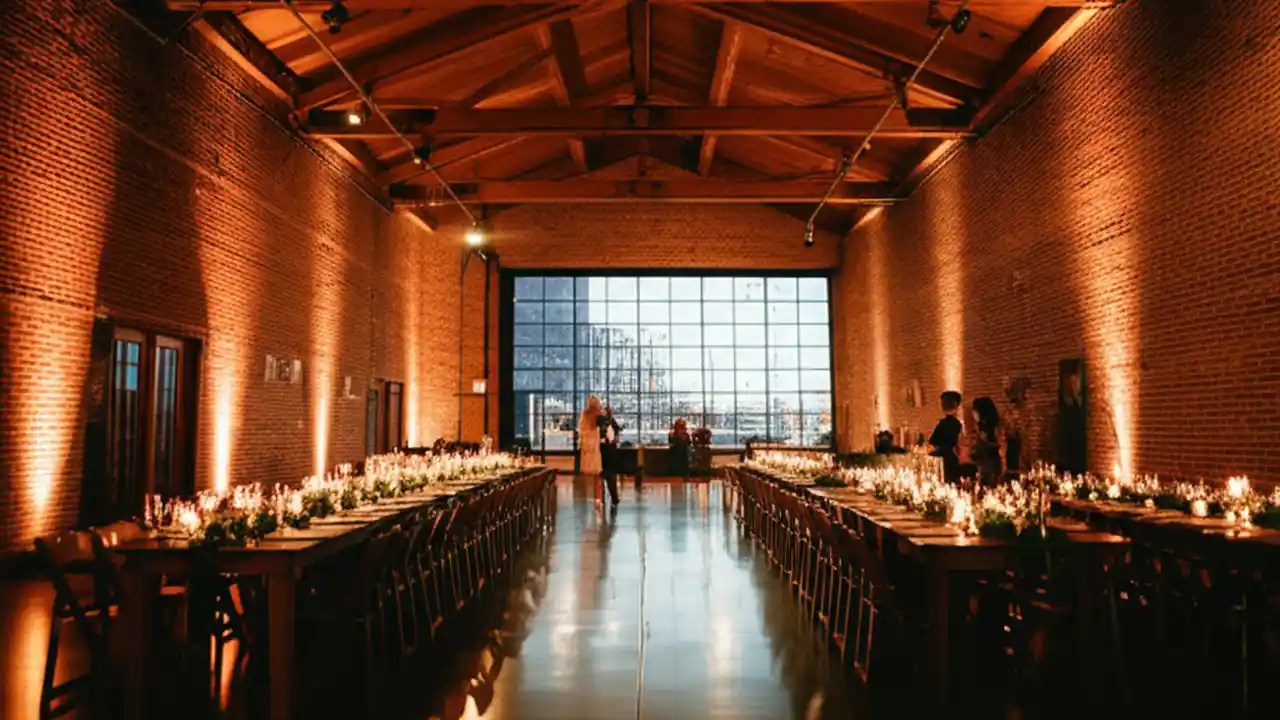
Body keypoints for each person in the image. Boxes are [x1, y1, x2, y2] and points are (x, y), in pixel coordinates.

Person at [929, 391, 964, 484]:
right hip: (951, 458)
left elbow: (933, 441)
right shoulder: (957, 424)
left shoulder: (942, 424)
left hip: (941, 458)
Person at [970, 396, 1003, 485]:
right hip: (986, 465)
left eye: (974, 411)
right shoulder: (982, 427)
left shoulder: (988, 428)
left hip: (989, 466)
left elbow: (995, 445)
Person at [598, 406, 623, 505]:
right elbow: (616, 435)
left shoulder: (602, 423)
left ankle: (605, 498)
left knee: (606, 476)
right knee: (611, 477)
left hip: (604, 452)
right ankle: (614, 498)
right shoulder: (612, 422)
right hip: (611, 451)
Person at [579, 395, 603, 480]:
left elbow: (581, 429)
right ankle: (597, 491)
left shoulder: (584, 414)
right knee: (595, 471)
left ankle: (590, 490)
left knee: (587, 471)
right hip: (594, 445)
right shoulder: (597, 415)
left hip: (586, 444)